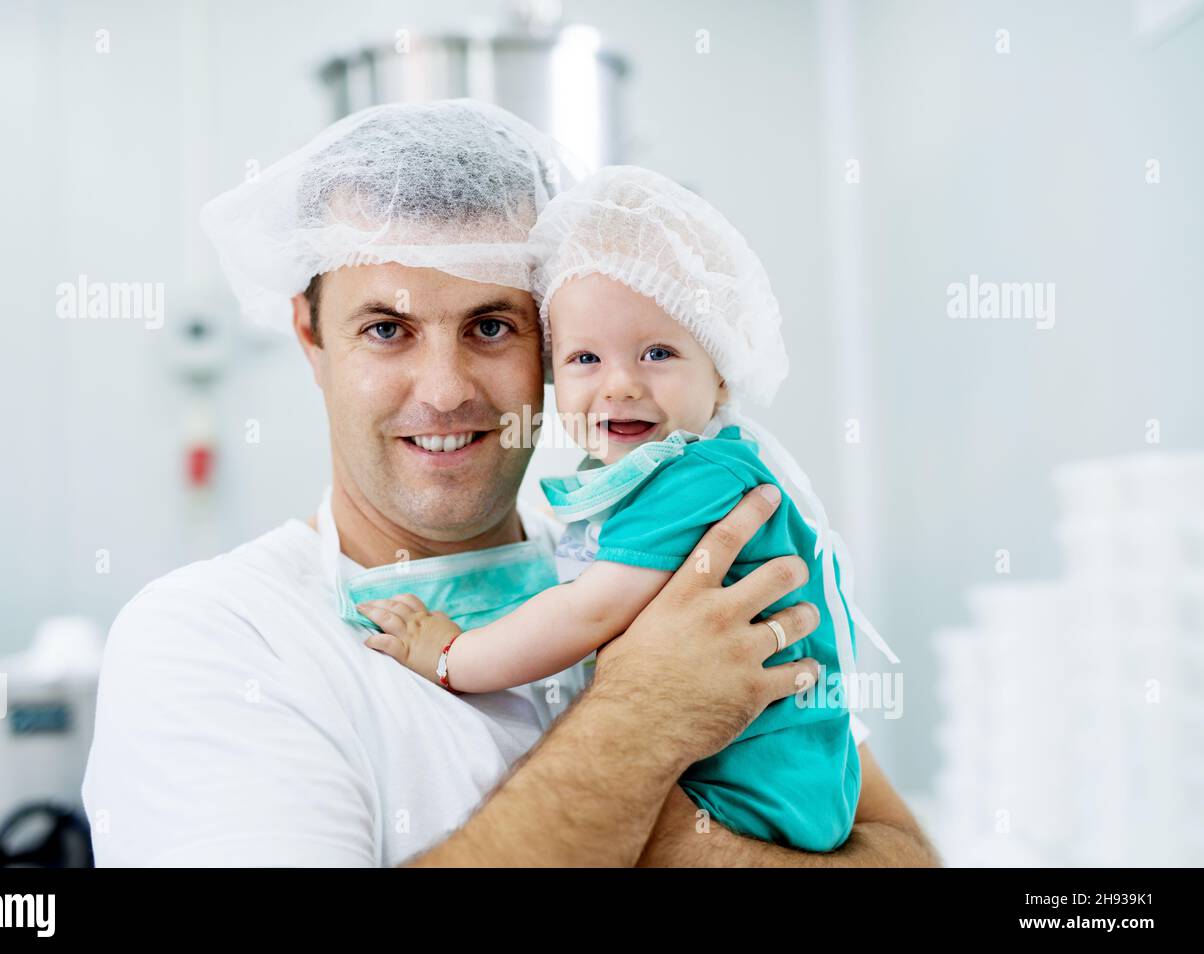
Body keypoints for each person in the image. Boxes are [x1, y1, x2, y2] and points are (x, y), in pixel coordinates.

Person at [81, 99, 938, 867]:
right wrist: (641, 719)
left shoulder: (680, 562)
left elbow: (900, 855)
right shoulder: (217, 638)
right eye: (387, 328)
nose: (446, 388)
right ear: (310, 337)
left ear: (553, 343)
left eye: (492, 325)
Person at [358, 165, 901, 852]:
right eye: (585, 357)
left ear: (722, 370)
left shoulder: (697, 474)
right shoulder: (653, 475)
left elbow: (591, 610)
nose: (620, 384)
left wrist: (450, 656)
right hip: (772, 779)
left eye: (658, 352)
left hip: (754, 790)